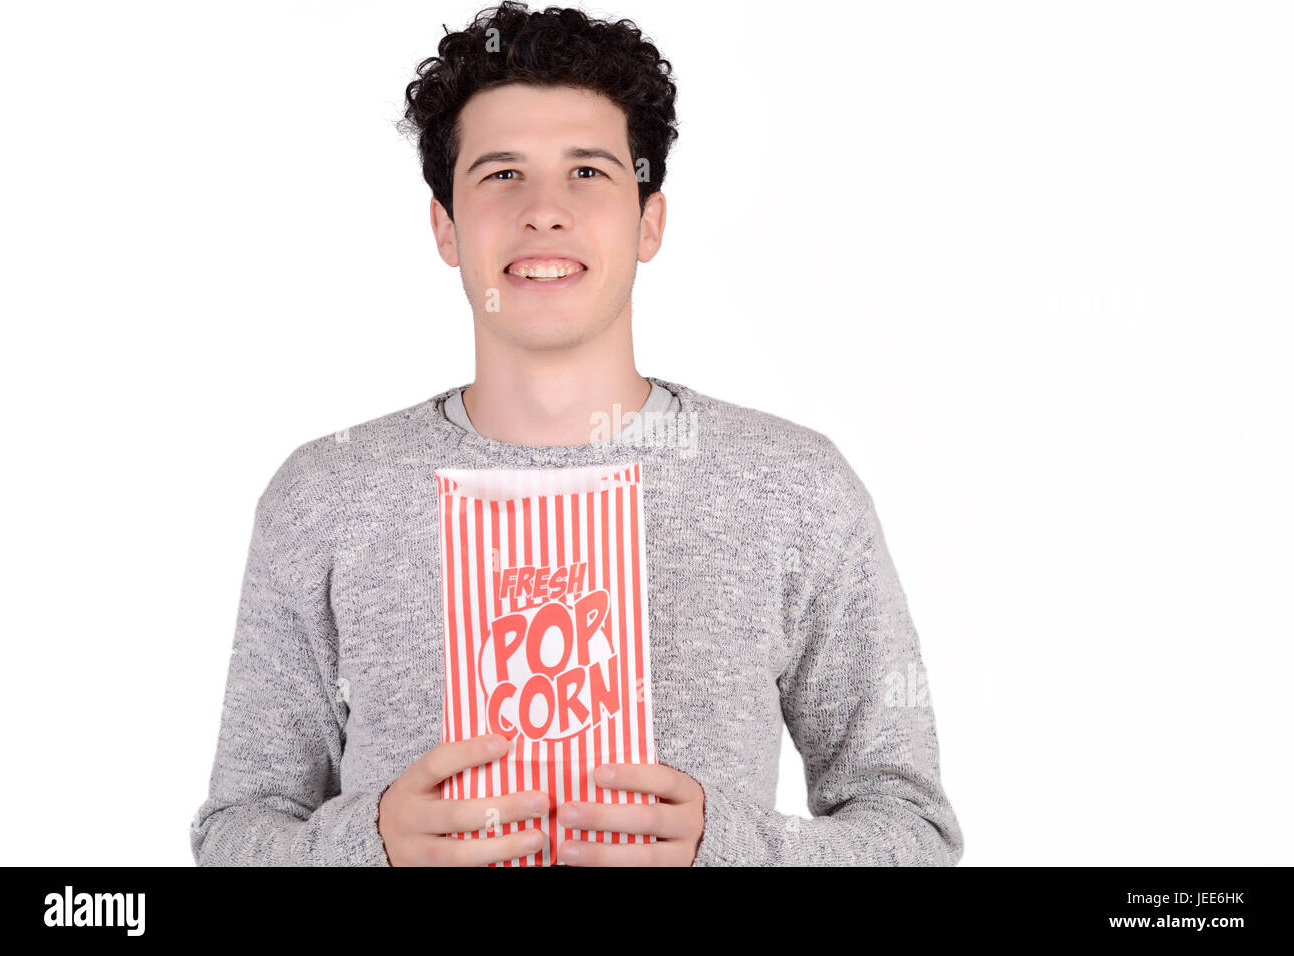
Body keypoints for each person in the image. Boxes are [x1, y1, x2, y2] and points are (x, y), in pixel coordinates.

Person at [189, 0, 965, 867]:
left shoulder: (796, 488)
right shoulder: (325, 496)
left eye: (589, 173)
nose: (545, 211)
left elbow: (913, 832)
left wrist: (728, 849)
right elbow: (236, 831)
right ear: (445, 227)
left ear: (650, 221)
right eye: (501, 175)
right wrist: (368, 845)